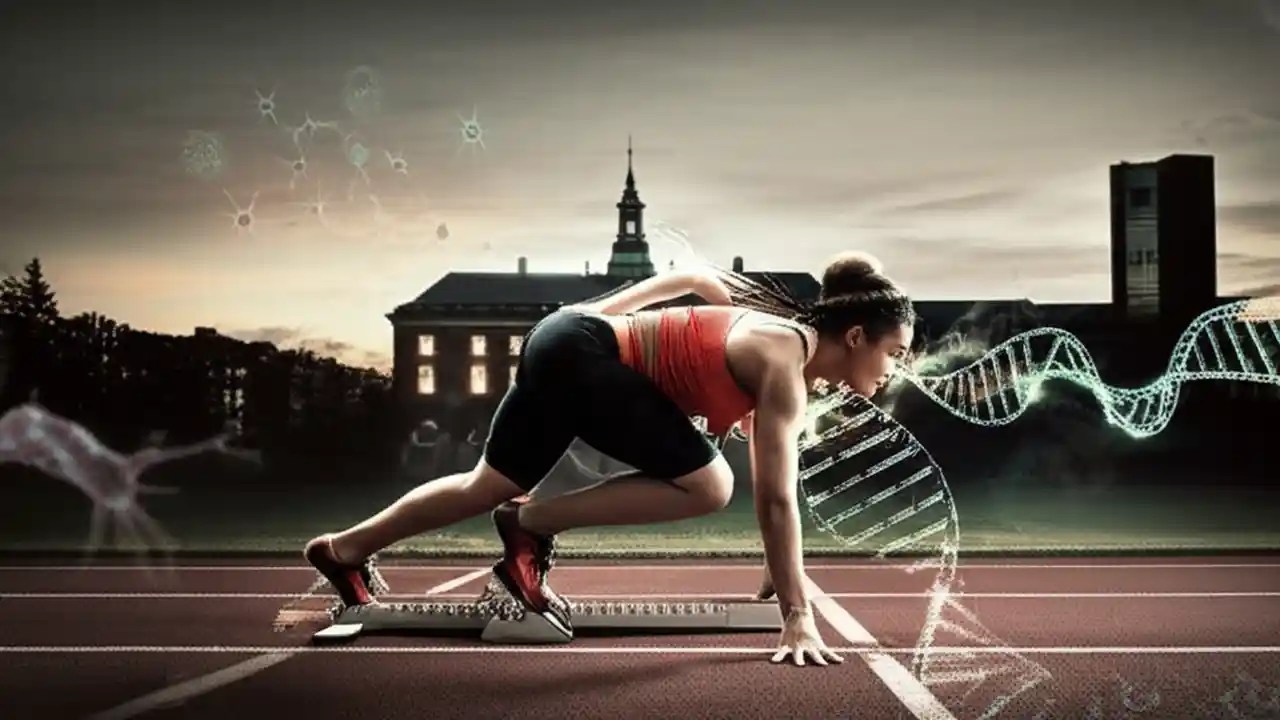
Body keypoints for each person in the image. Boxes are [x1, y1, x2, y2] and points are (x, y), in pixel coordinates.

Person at [304, 252, 916, 667]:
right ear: (855, 337)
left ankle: (342, 550)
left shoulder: (780, 352)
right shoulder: (783, 364)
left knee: (485, 484)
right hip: (582, 352)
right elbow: (776, 499)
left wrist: (596, 316)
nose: (895, 370)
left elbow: (700, 278)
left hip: (562, 340)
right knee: (711, 486)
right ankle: (529, 524)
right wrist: (796, 614)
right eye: (895, 352)